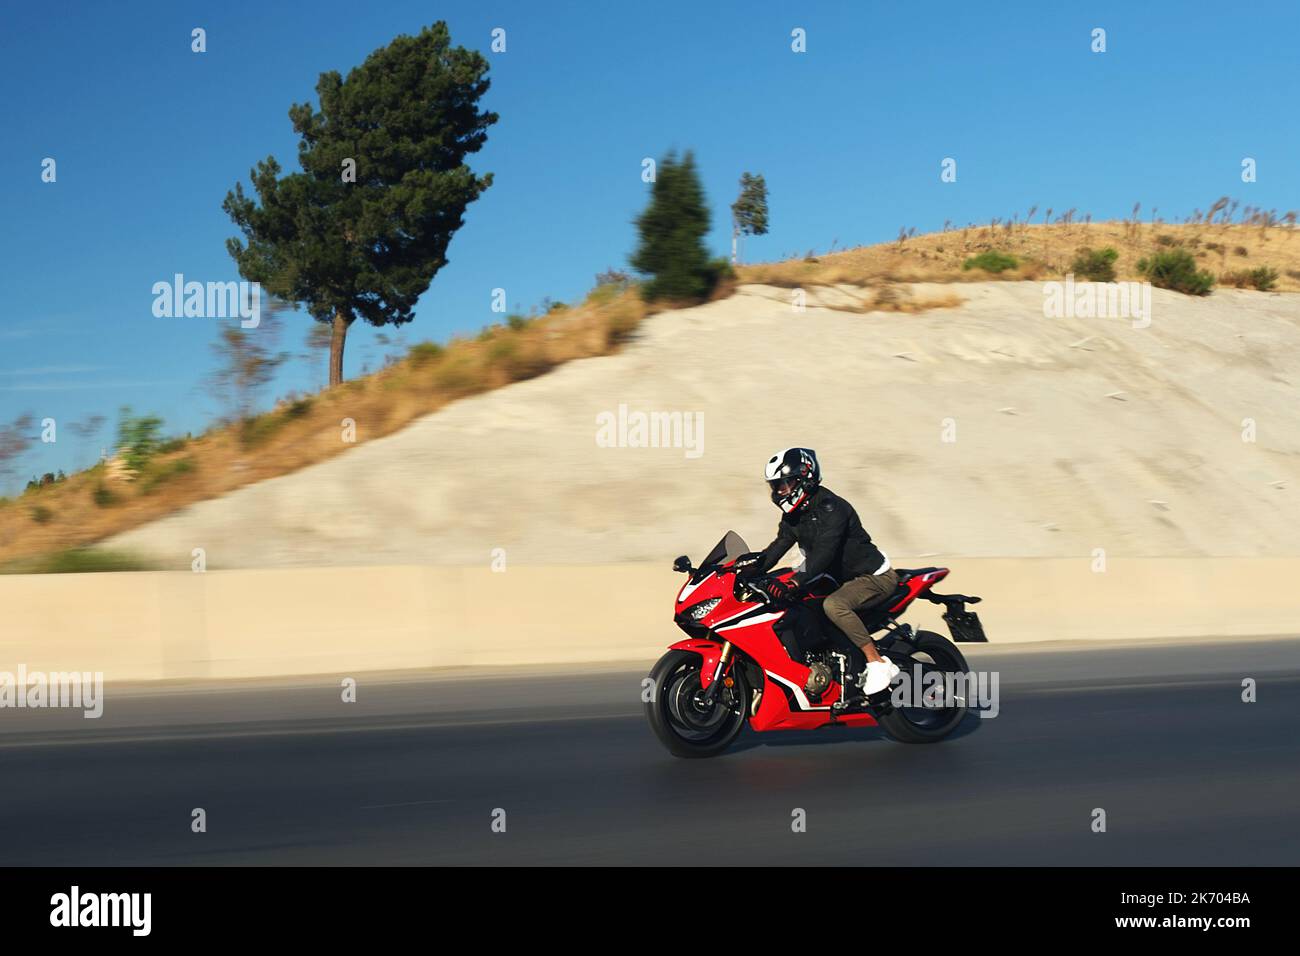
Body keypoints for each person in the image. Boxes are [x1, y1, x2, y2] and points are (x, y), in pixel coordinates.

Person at [745, 448, 901, 696]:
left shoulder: (832, 508)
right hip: (836, 578)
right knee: (793, 606)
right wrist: (749, 569)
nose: (779, 492)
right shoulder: (793, 516)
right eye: (775, 486)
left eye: (784, 484)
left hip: (872, 577)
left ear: (804, 477)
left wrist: (796, 580)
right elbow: (779, 545)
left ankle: (877, 663)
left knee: (834, 606)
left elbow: (823, 553)